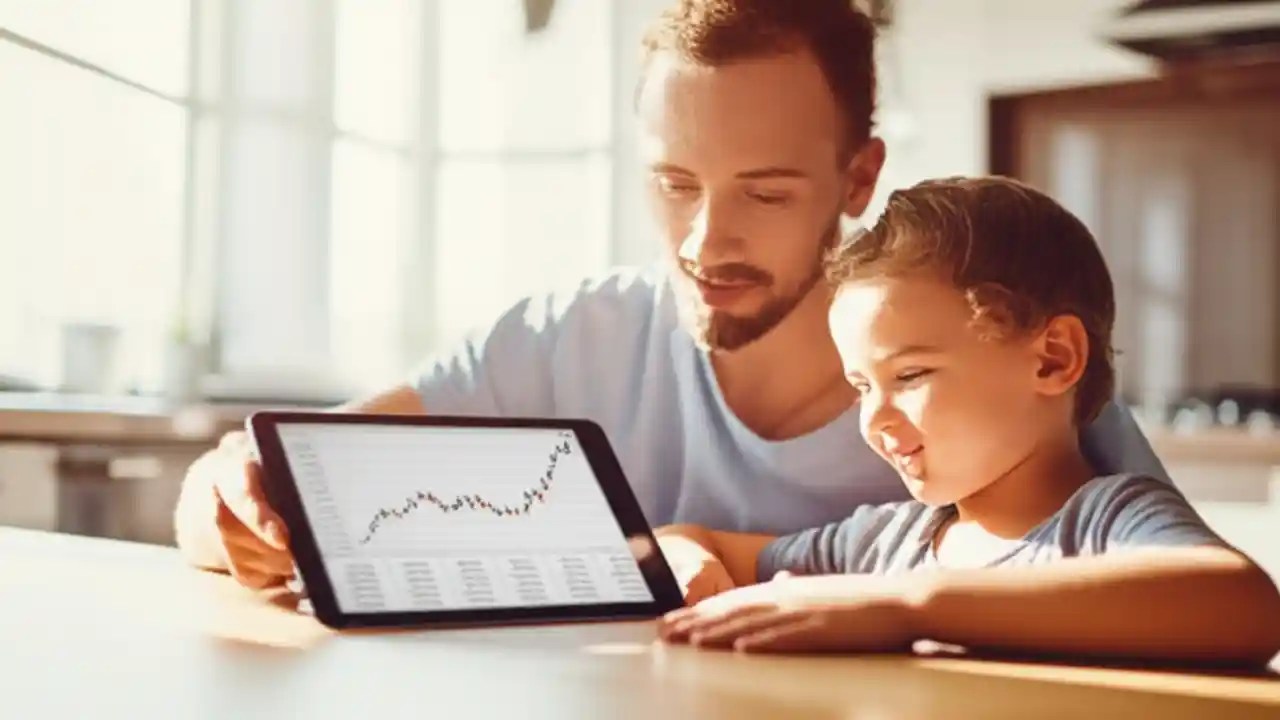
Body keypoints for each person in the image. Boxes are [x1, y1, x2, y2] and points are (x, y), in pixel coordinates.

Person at [174, 0, 1168, 591]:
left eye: (765, 192)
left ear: (856, 179)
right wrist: (221, 493)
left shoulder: (988, 374)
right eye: (673, 183)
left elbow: (1184, 603)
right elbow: (295, 483)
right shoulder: (571, 336)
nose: (704, 241)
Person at [653, 177, 1280, 665]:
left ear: (1052, 359)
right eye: (861, 386)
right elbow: (691, 538)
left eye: (911, 376)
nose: (874, 418)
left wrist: (908, 605)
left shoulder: (1106, 522)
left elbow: (1245, 605)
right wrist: (688, 563)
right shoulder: (885, 544)